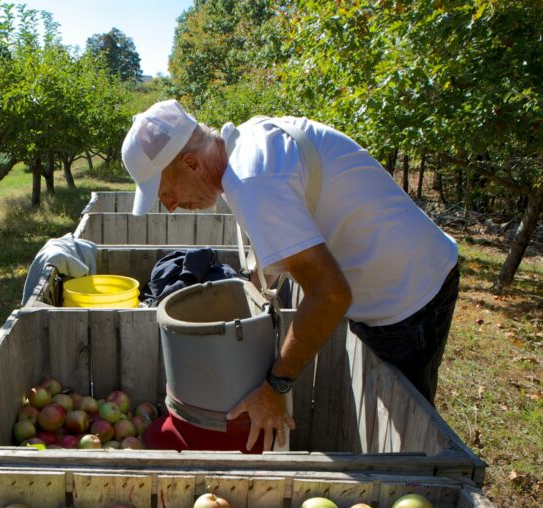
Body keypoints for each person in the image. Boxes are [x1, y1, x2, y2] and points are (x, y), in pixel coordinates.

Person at [122, 100, 459, 452]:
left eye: (166, 193)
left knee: (406, 434)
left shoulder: (252, 179)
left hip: (410, 294)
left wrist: (275, 387)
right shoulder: (249, 149)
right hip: (391, 280)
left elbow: (330, 295)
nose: (171, 206)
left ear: (190, 163)